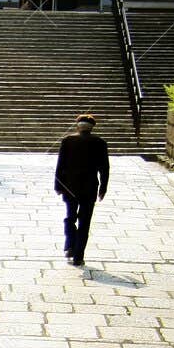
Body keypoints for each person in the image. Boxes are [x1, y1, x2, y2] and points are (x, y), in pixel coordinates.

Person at [54, 112, 111, 266]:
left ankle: (70, 246)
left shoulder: (68, 141)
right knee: (84, 222)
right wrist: (103, 188)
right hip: (90, 187)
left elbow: (60, 165)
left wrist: (58, 185)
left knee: (70, 217)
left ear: (77, 127)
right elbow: (104, 168)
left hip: (69, 187)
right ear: (92, 128)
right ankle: (78, 256)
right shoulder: (100, 143)